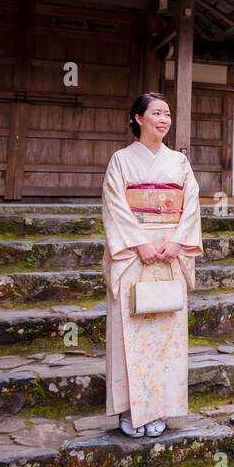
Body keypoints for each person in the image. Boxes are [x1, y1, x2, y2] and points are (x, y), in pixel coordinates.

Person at [100, 92, 202, 437]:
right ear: (138, 118)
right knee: (130, 330)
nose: (163, 119)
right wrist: (139, 243)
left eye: (168, 114)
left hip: (170, 252)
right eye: (156, 113)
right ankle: (131, 410)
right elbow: (114, 204)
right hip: (133, 253)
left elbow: (191, 205)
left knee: (165, 333)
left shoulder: (180, 163)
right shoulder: (121, 160)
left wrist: (176, 242)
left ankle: (160, 408)